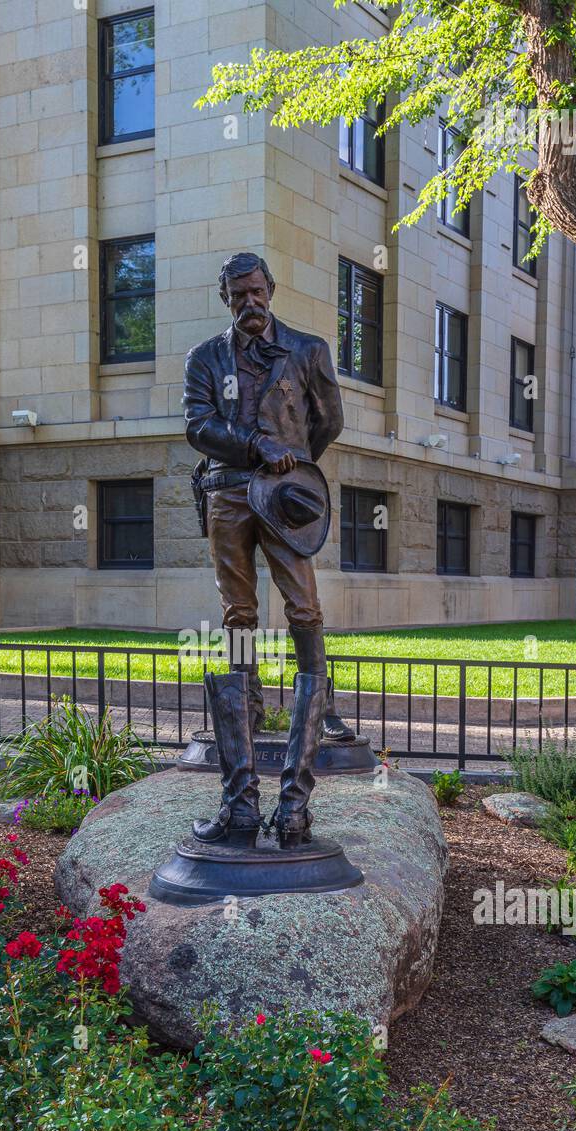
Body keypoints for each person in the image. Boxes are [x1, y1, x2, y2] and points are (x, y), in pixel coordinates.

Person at [183, 251, 353, 848]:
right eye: (237, 295)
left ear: (271, 289)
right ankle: (240, 804)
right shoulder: (205, 357)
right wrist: (256, 446)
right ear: (225, 297)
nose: (249, 303)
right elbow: (197, 426)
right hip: (228, 496)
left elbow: (328, 421)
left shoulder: (308, 351)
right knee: (238, 618)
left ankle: (295, 805)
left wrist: (295, 468)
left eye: (257, 292)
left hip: (285, 500)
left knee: (305, 612)